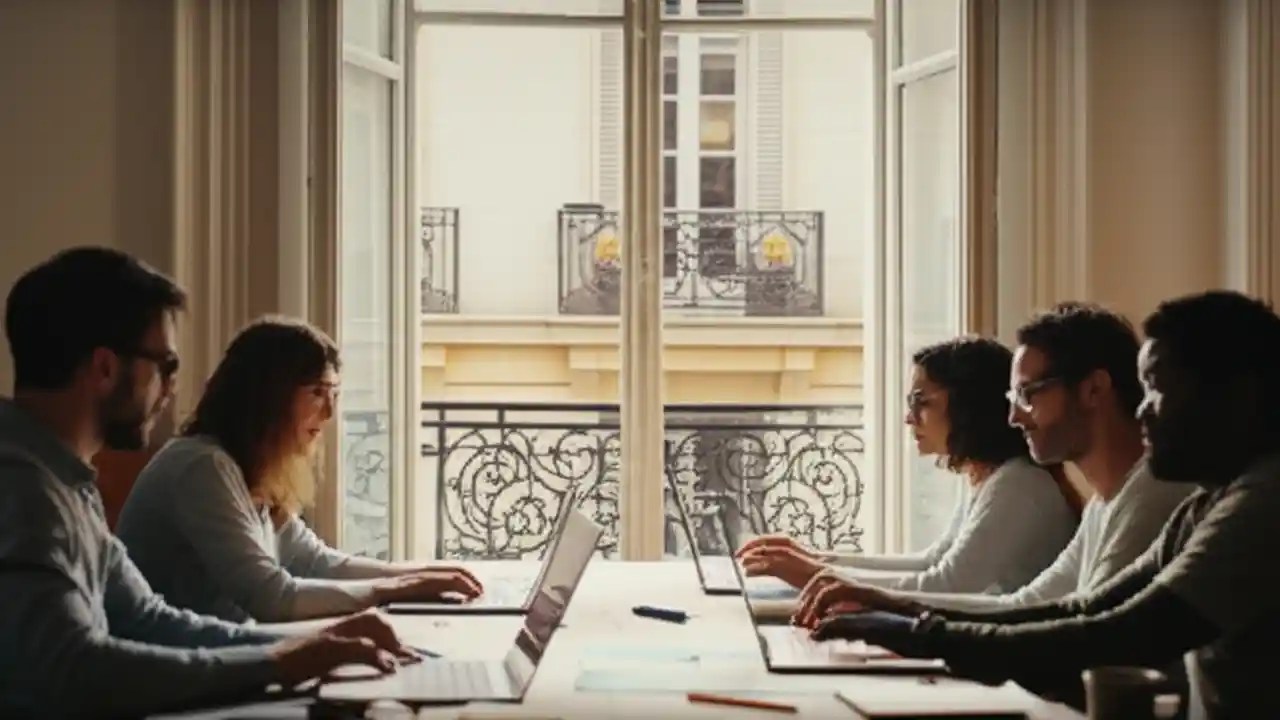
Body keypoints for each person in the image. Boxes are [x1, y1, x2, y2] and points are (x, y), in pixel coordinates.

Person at [802, 291, 1280, 720]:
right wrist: (900, 614)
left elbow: (1122, 635)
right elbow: (1075, 607)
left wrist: (918, 632)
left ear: (1237, 394)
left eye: (1160, 388)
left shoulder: (1261, 502)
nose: (1143, 408)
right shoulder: (1203, 503)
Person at [0, 247, 417, 718]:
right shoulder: (25, 492)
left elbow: (148, 618)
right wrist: (278, 663)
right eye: (167, 366)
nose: (173, 388)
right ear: (105, 368)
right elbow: (74, 671)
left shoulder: (67, 483)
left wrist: (309, 646)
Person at [792, 303, 1191, 616]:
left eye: (1028, 395)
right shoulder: (1106, 503)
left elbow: (1085, 631)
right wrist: (875, 601)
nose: (1015, 417)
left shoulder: (1150, 498)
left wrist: (874, 602)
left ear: (1093, 390)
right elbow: (1026, 606)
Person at [117, 316, 483, 623]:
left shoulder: (248, 468)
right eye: (317, 392)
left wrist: (422, 574)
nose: (329, 413)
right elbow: (272, 597)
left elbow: (315, 561)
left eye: (335, 395)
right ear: (269, 394)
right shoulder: (202, 467)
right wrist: (400, 589)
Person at [738, 336, 1081, 595]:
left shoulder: (1018, 486)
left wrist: (817, 575)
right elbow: (930, 562)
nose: (909, 418)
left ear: (967, 405)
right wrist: (817, 560)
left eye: (921, 402)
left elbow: (945, 584)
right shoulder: (995, 478)